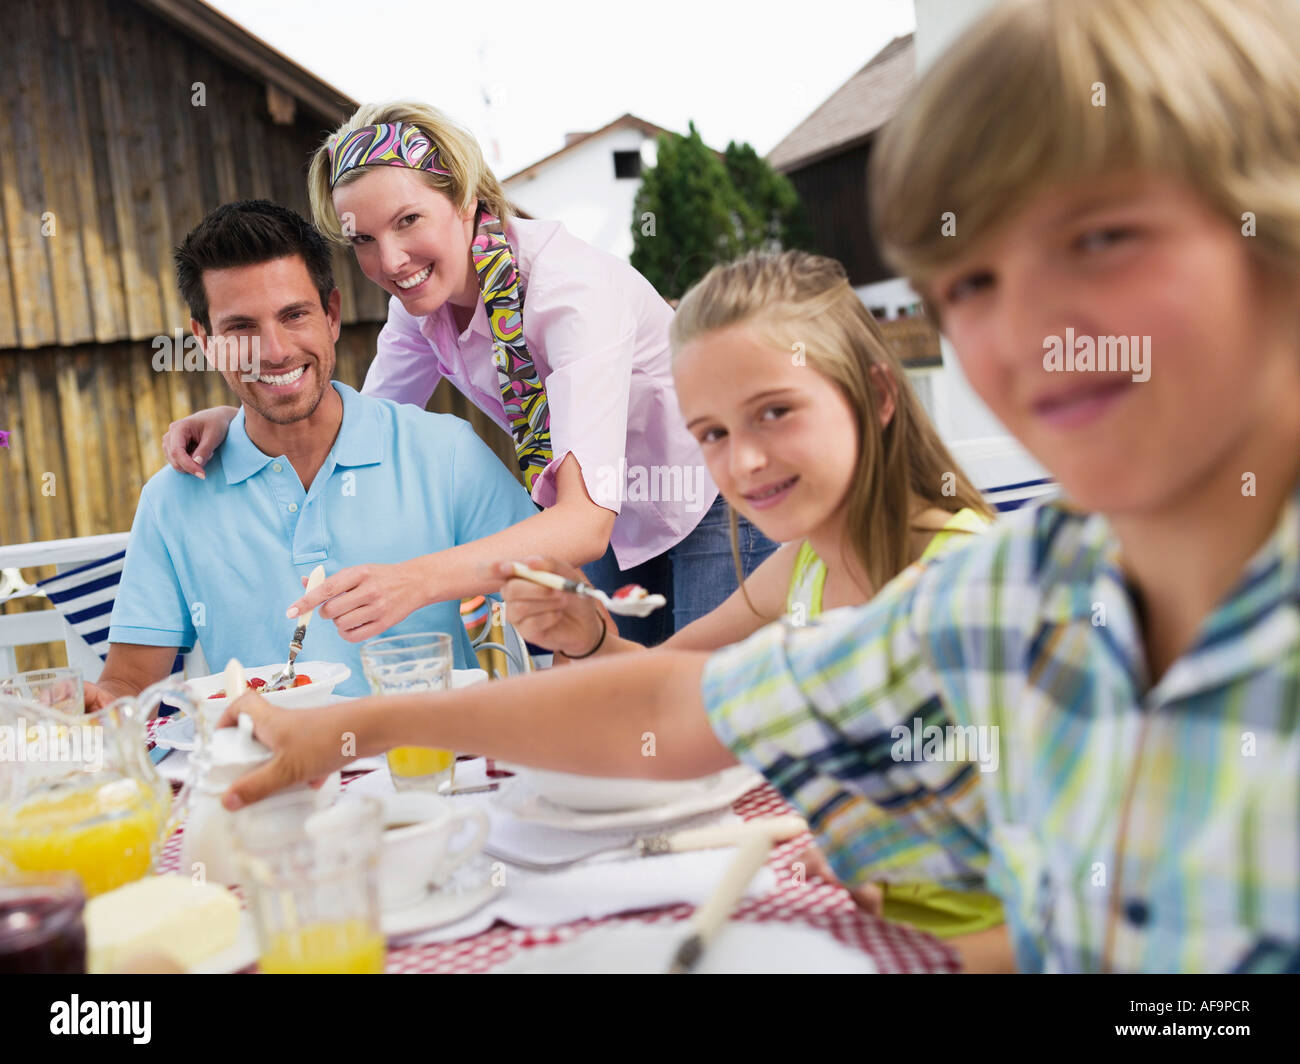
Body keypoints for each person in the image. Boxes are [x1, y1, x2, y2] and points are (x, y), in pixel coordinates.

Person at [215, 0, 1300, 972]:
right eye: (970, 280)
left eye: (1102, 239)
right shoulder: (1003, 598)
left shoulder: (580, 299)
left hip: (661, 527)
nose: (1022, 333)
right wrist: (341, 716)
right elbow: (669, 699)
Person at [496, 249, 1004, 938]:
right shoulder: (803, 565)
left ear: (878, 397)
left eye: (775, 412)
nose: (744, 463)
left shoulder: (966, 589)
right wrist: (586, 633)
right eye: (712, 433)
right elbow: (663, 683)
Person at [159, 103, 778, 647]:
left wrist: (416, 581)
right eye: (364, 240)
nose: (391, 261)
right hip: (622, 523)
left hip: (711, 493)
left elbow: (584, 522)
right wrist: (245, 416)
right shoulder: (419, 311)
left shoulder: (570, 292)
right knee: (620, 696)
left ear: (462, 198)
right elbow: (350, 430)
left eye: (408, 221)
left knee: (711, 707)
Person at [84, 200, 537, 706]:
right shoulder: (172, 497)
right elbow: (127, 685)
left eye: (294, 315)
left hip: (427, 770)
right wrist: (91, 707)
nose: (274, 351)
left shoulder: (446, 454)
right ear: (205, 342)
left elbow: (554, 598)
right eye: (241, 328)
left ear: (332, 315)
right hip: (267, 777)